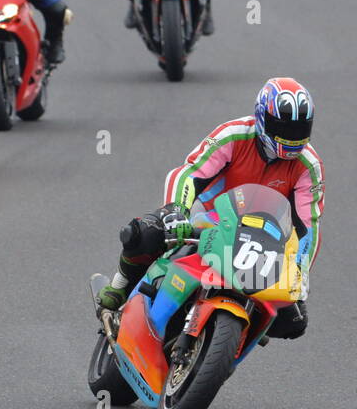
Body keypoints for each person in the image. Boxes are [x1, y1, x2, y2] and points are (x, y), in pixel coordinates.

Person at [96, 78, 323, 339]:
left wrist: (299, 270)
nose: (292, 138)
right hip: (207, 217)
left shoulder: (309, 165)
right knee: (144, 232)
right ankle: (121, 286)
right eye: (284, 128)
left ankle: (227, 341)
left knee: (293, 322)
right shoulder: (233, 134)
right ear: (261, 117)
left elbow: (310, 225)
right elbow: (189, 173)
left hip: (262, 240)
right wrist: (176, 210)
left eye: (299, 129)